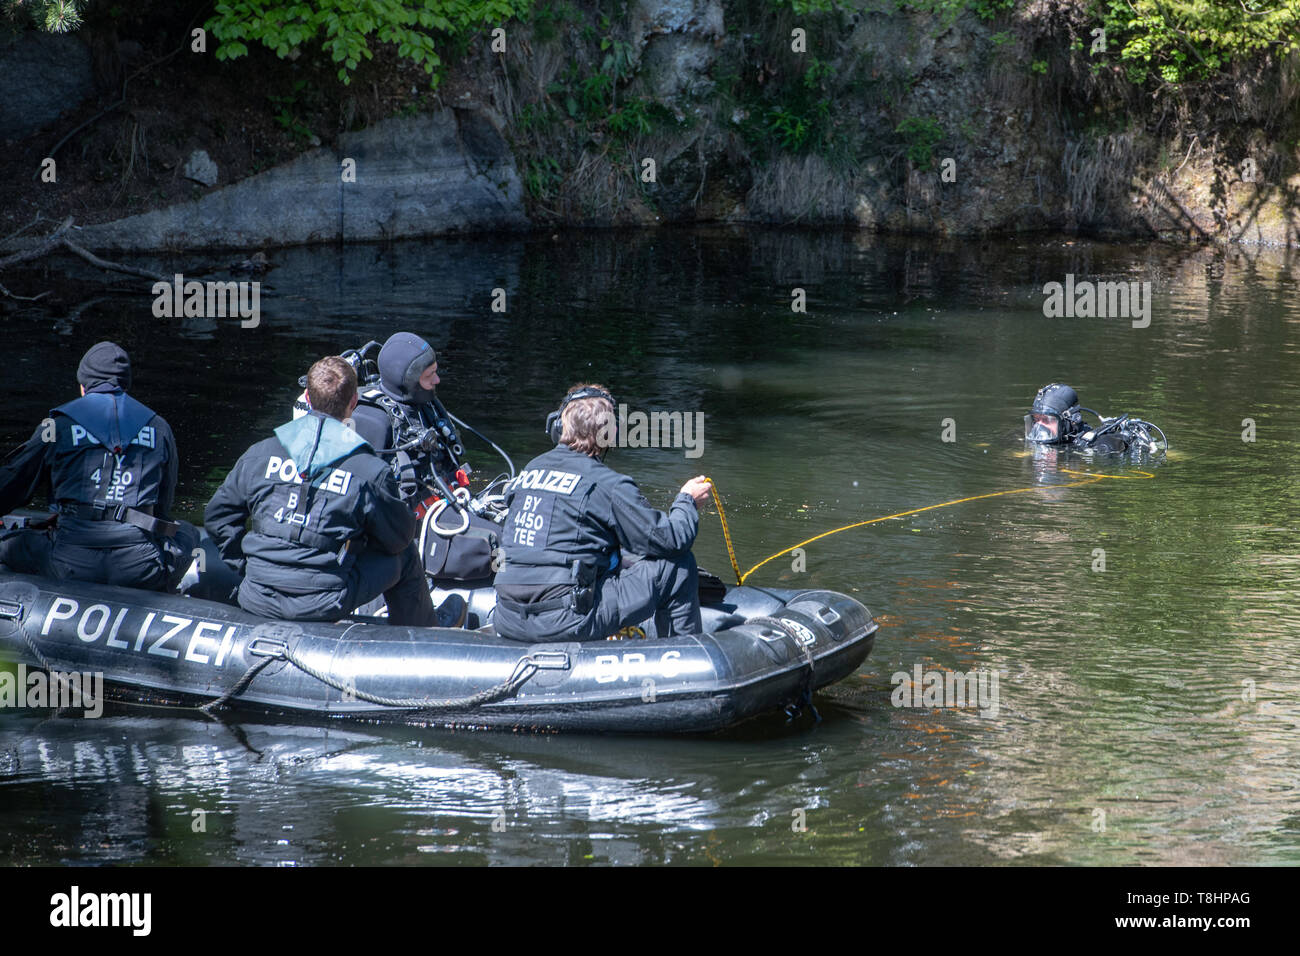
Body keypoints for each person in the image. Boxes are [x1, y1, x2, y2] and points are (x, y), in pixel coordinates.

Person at [204, 355, 440, 626]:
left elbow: (217, 517)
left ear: (307, 396)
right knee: (406, 554)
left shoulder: (260, 453)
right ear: (353, 403)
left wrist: (245, 566)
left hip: (257, 594)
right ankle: (422, 637)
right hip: (322, 603)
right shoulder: (369, 470)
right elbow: (397, 539)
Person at [492, 383, 712, 643]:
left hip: (507, 617)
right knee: (677, 566)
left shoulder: (530, 470)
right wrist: (686, 501)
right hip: (564, 622)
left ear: (559, 427)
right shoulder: (609, 484)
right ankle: (684, 658)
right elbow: (671, 539)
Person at [0, 341, 198, 590]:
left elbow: (12, 484)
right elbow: (162, 507)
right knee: (189, 533)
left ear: (83, 387)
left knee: (9, 544)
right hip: (139, 566)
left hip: (69, 562)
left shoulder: (57, 425)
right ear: (125, 385)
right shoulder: (159, 427)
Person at [349, 332, 463, 502]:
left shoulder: (427, 404)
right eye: (429, 375)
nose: (437, 380)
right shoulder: (372, 419)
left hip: (443, 499)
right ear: (407, 381)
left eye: (435, 372)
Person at [1023, 383, 1167, 454]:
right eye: (1036, 420)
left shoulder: (1097, 445)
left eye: (1047, 420)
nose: (1038, 427)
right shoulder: (1033, 440)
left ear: (1070, 421)